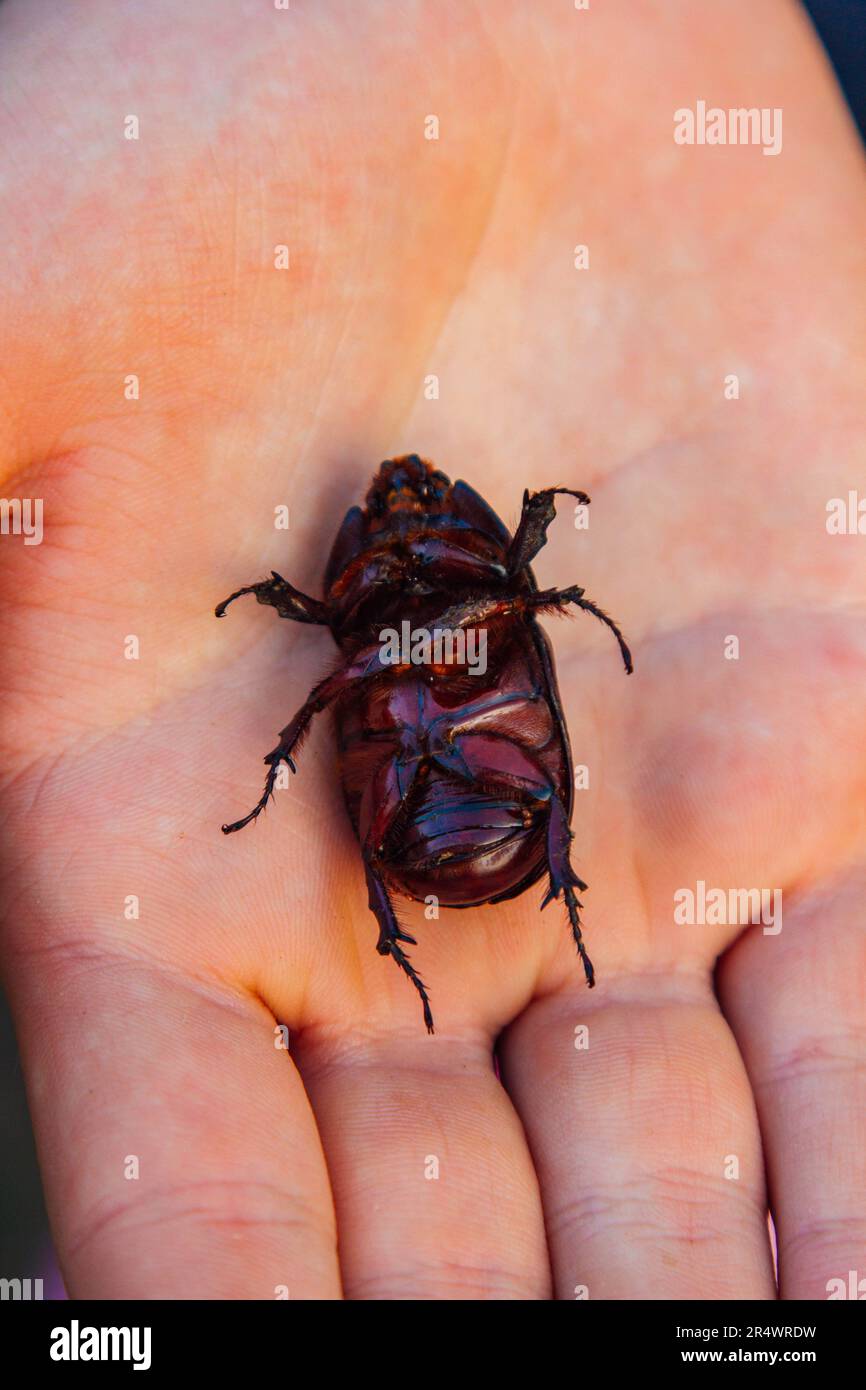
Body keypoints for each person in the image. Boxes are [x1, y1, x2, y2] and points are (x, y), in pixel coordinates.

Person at [0, 0, 863, 1300]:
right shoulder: (407, 614)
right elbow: (368, 638)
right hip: (450, 799)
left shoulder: (458, 603)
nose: (405, 510)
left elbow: (455, 627)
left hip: (471, 799)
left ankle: (523, 921)